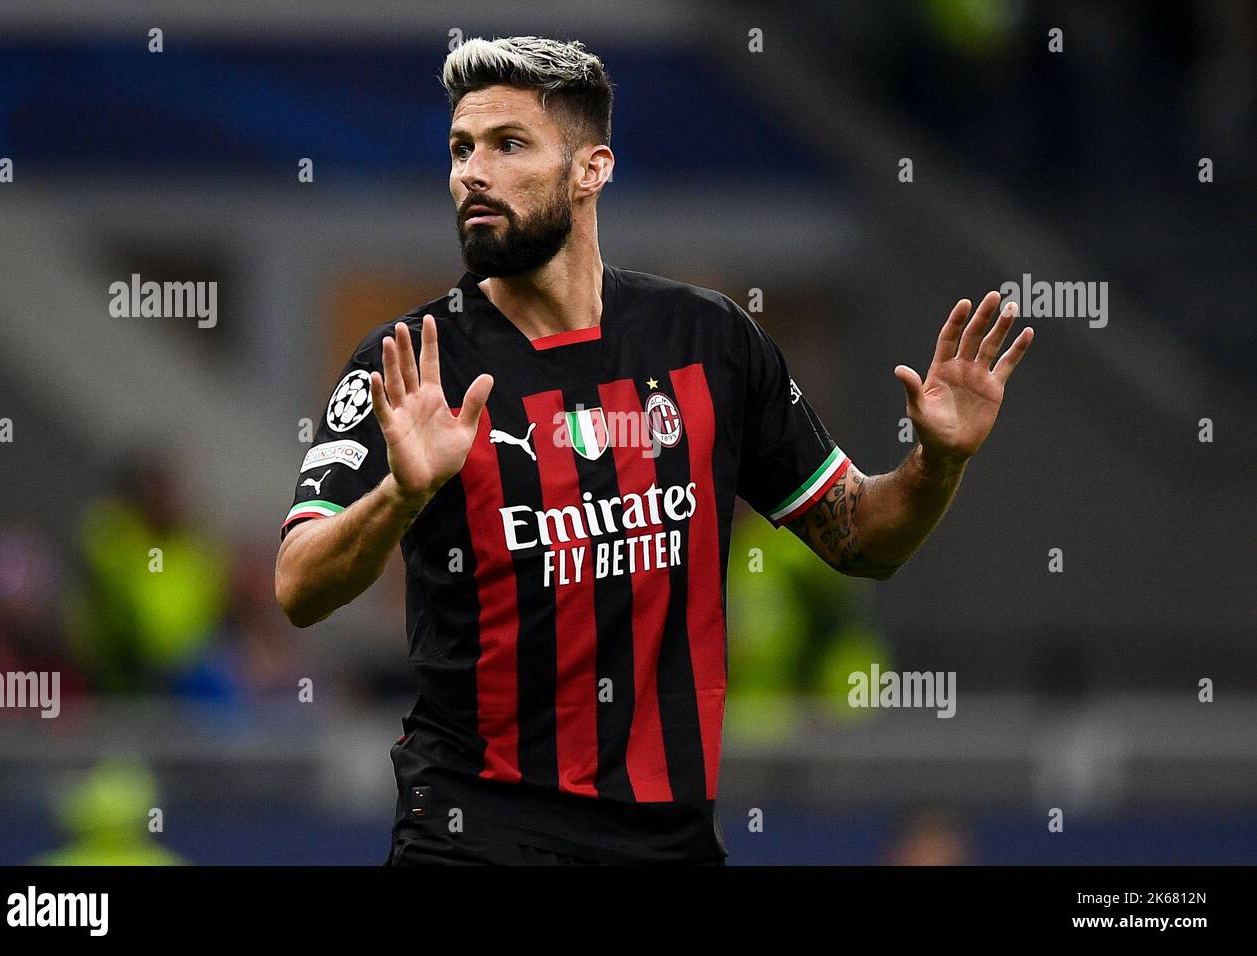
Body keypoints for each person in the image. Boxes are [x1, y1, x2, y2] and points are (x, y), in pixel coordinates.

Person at [274, 35, 1033, 866]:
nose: (471, 174)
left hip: (666, 839)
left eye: (508, 145)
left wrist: (939, 462)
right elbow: (299, 586)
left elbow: (861, 539)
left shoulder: (709, 341)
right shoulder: (411, 363)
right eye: (460, 149)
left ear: (592, 169)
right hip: (476, 831)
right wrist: (401, 497)